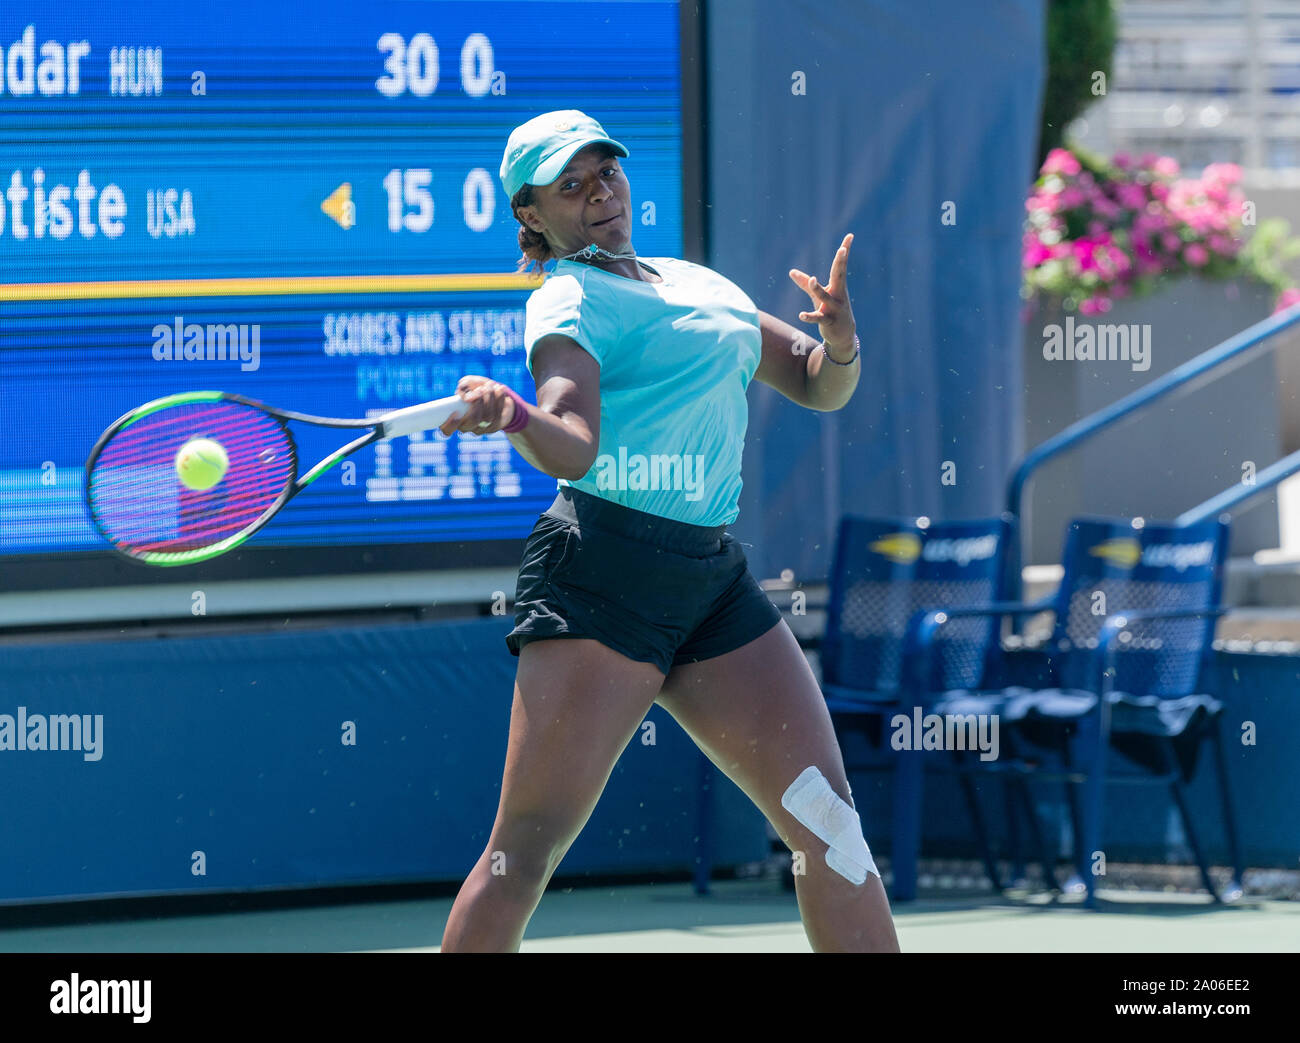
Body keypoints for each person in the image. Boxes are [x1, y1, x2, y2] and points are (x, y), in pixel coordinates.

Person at [438, 109, 900, 952]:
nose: (598, 192)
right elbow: (574, 443)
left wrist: (840, 343)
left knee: (831, 827)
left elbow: (815, 384)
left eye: (605, 171)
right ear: (531, 214)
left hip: (709, 579)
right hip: (602, 577)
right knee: (524, 853)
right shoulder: (569, 300)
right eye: (569, 185)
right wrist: (515, 415)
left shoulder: (699, 283)